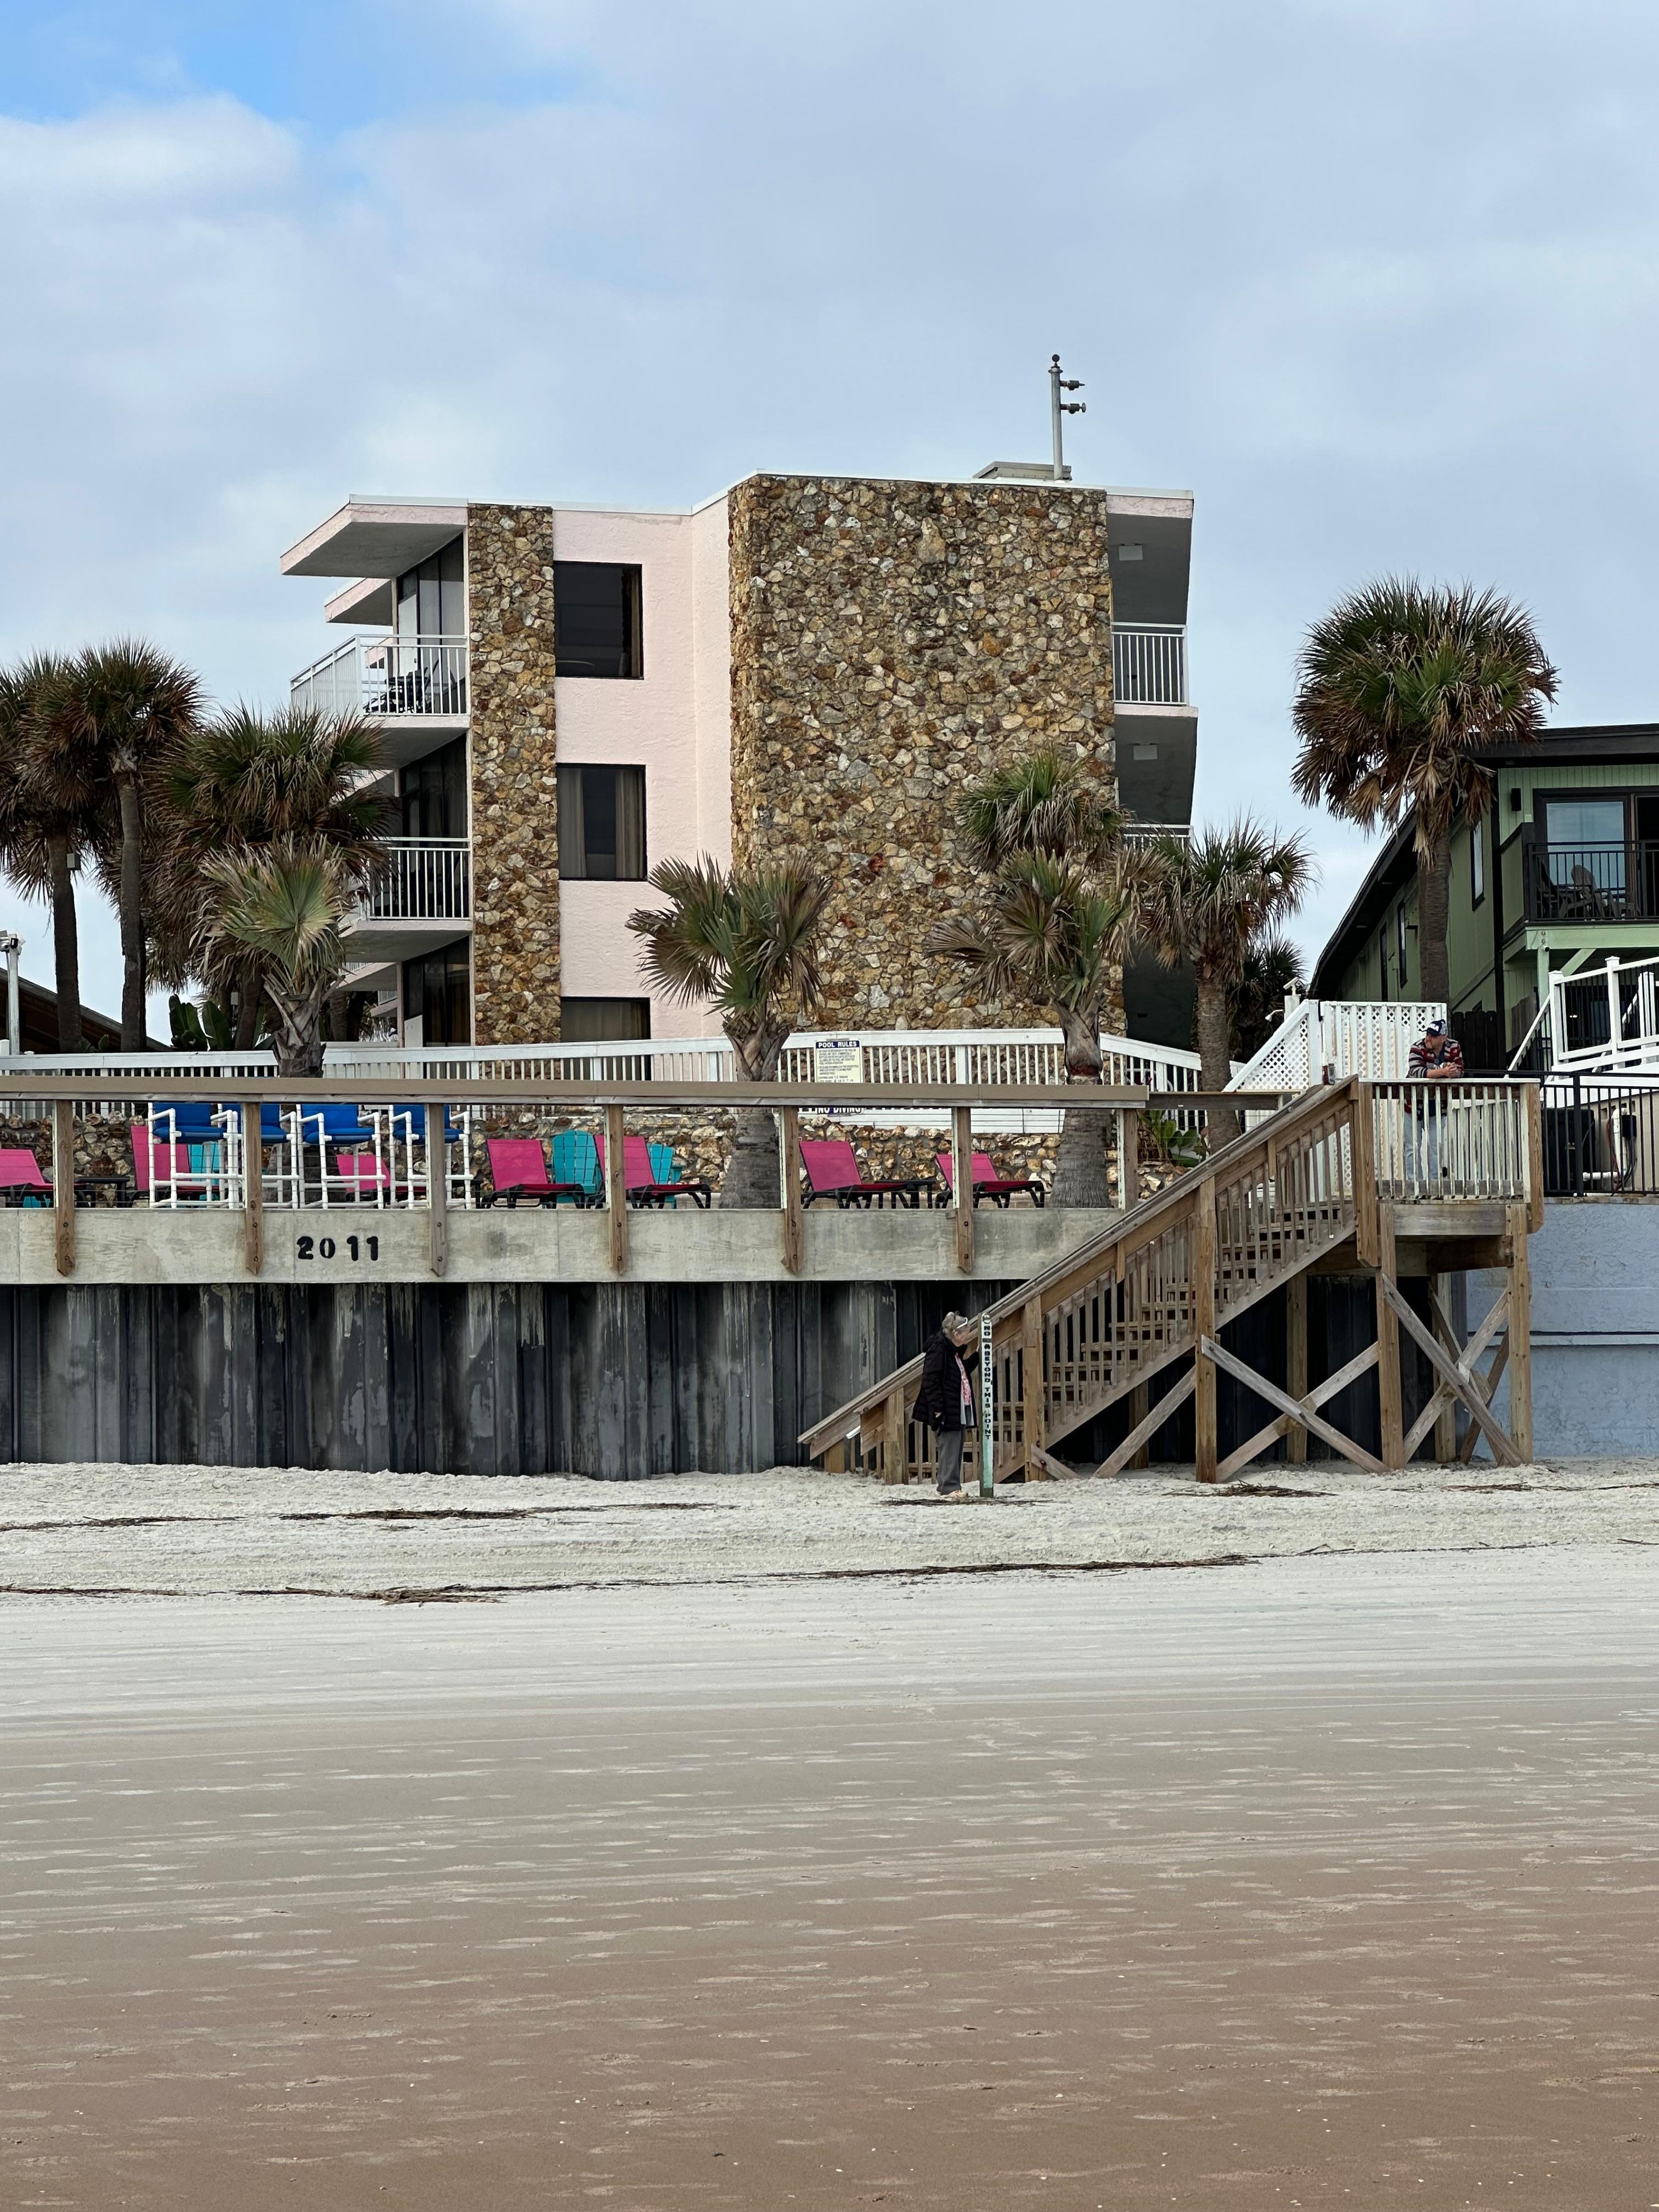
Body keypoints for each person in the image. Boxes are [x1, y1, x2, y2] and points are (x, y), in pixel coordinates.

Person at [913, 1311, 979, 1498]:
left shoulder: (951, 1352)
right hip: (946, 1408)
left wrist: (976, 1357)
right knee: (949, 1447)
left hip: (955, 1407)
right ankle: (950, 1487)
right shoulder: (939, 1349)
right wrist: (938, 1408)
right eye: (966, 1332)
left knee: (954, 1446)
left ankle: (948, 1486)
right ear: (957, 1334)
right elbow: (930, 1379)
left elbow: (959, 1371)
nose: (968, 1334)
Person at [1406, 1017, 1465, 1186]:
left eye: (1433, 1035)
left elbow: (1461, 1069)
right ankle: (1414, 1185)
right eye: (1428, 1034)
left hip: (1438, 1104)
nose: (1428, 1038)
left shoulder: (1454, 1046)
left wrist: (1453, 1073)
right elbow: (1416, 1072)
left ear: (1443, 1038)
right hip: (1413, 1103)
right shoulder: (1417, 1047)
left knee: (1436, 1147)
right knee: (1412, 1147)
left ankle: (1435, 1185)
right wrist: (1444, 1071)